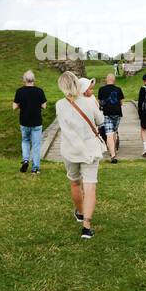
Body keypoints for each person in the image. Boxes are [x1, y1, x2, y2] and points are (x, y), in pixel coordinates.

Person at [56, 71, 104, 239]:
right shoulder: (89, 102)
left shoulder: (59, 105)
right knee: (90, 186)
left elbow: (66, 128)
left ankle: (81, 212)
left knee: (75, 183)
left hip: (70, 150)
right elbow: (101, 120)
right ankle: (86, 226)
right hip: (90, 149)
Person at [12, 70, 47, 174]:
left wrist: (21, 105)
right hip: (36, 121)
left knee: (25, 140)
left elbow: (14, 107)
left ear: (24, 80)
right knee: (36, 145)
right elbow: (44, 106)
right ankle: (35, 168)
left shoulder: (19, 91)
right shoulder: (39, 91)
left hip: (24, 121)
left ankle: (26, 159)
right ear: (34, 79)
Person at [97, 72, 126, 163]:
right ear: (114, 80)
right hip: (117, 114)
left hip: (107, 114)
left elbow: (100, 103)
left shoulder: (101, 89)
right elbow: (121, 103)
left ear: (106, 80)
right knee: (113, 132)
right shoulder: (118, 89)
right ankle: (113, 153)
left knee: (109, 134)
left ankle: (112, 153)